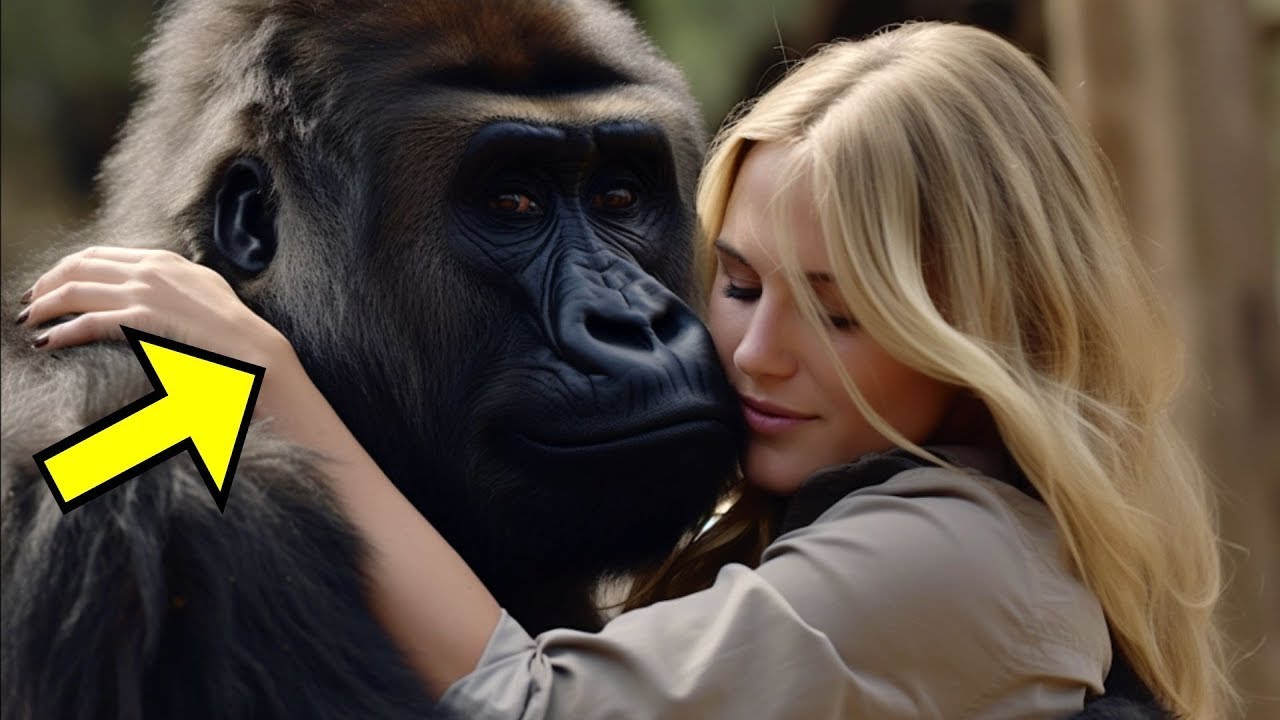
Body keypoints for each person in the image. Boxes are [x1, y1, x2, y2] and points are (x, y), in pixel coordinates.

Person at [18, 22, 1233, 719]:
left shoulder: (948, 549)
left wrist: (271, 390)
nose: (649, 329)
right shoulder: (140, 491)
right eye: (505, 200)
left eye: (618, 199)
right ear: (251, 233)